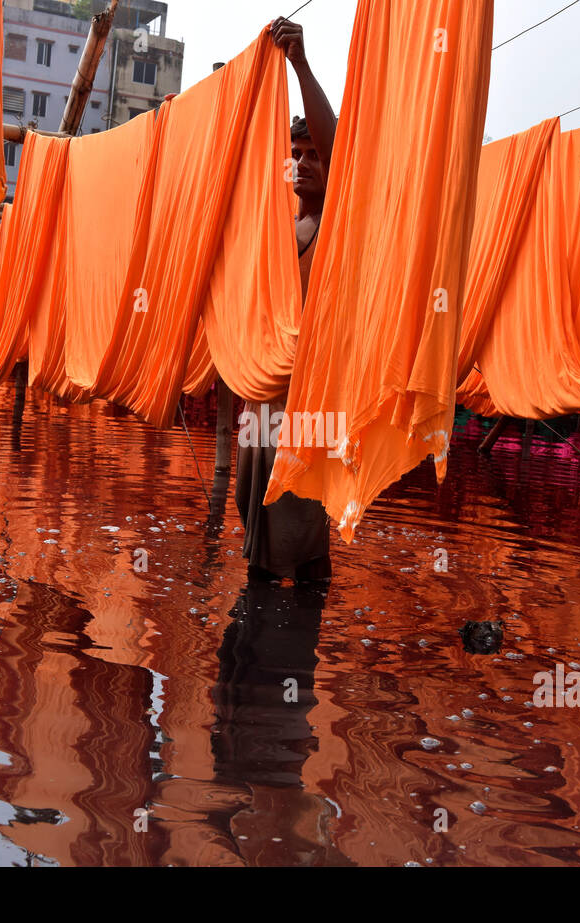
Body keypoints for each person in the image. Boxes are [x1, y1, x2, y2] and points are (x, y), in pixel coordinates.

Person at [234, 18, 338, 584]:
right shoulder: (280, 230)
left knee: (302, 525)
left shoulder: (336, 226)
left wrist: (299, 65)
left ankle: (299, 642)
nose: (301, 162)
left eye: (311, 154)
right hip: (262, 399)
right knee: (256, 523)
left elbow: (339, 146)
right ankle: (258, 648)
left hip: (312, 400)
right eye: (293, 153)